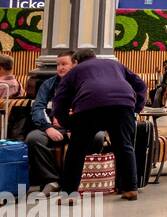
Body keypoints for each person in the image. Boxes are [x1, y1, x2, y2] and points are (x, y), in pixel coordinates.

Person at [50, 50, 147, 200]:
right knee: (124, 146)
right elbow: (140, 84)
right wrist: (136, 107)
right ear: (94, 57)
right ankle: (130, 189)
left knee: (77, 150)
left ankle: (69, 194)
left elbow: (60, 99)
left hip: (89, 106)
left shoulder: (75, 71)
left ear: (75, 61)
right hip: (122, 104)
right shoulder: (115, 64)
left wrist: (67, 123)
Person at [24, 51, 75, 194]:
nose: (60, 67)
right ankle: (52, 180)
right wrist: (47, 128)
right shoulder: (48, 84)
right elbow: (38, 107)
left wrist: (74, 125)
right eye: (58, 64)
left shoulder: (83, 82)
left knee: (97, 136)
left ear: (75, 65)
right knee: (33, 138)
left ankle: (75, 180)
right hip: (52, 128)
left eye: (64, 64)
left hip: (77, 128)